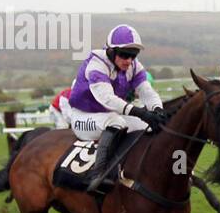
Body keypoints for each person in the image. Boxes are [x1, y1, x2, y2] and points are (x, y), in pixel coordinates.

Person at [66, 24, 166, 193]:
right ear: (111, 51)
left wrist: (157, 110)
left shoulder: (134, 67)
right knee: (116, 121)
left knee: (146, 126)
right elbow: (107, 99)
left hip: (106, 115)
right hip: (82, 116)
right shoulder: (96, 65)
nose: (129, 60)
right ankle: (98, 175)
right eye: (124, 55)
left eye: (133, 55)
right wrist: (140, 112)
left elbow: (146, 91)